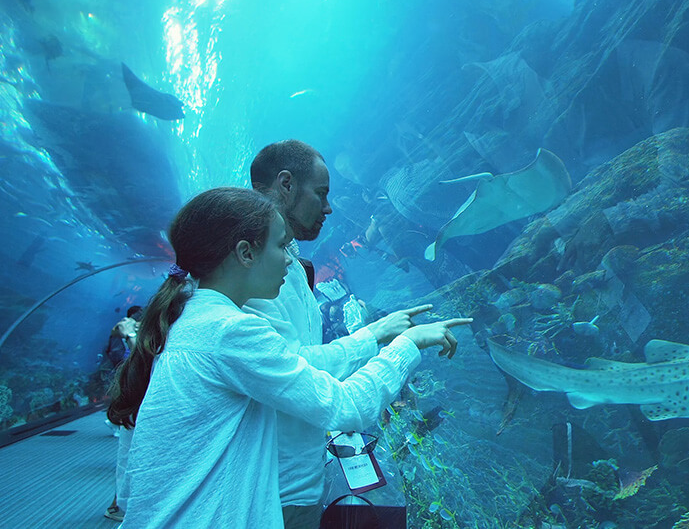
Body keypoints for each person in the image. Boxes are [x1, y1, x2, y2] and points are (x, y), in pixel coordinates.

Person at [107, 187, 470, 528]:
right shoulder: (230, 331)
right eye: (282, 247)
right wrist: (407, 345)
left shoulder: (195, 318)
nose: (290, 261)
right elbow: (345, 406)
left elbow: (295, 367)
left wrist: (371, 336)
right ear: (246, 253)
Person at [247, 140, 437, 528]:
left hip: (297, 475)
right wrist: (396, 343)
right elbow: (305, 376)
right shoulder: (254, 275)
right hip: (274, 491)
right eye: (321, 194)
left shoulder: (290, 264)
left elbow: (295, 363)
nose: (329, 208)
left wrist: (375, 332)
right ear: (286, 185)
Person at [102, 305, 142, 522]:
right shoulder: (135, 338)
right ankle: (119, 505)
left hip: (133, 395)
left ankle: (119, 504)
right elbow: (140, 362)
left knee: (128, 455)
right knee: (129, 456)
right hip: (135, 396)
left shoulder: (134, 334)